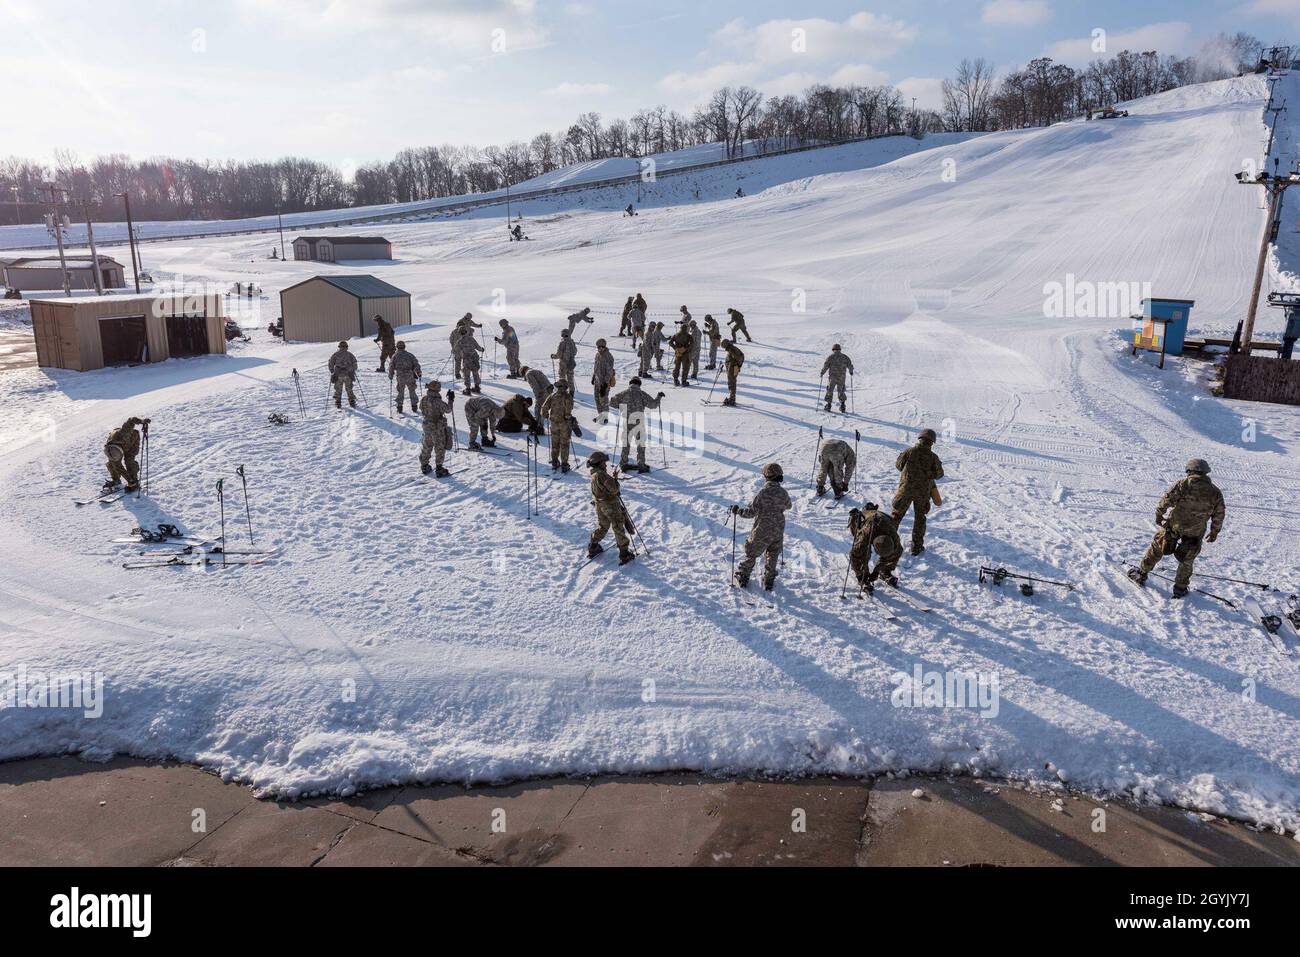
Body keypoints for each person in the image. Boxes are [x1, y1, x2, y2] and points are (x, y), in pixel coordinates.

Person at [1128, 458, 1226, 598]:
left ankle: (1141, 574)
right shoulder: (1215, 492)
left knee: (1158, 548)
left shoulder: (1184, 484)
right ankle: (1180, 588)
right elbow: (1219, 513)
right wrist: (1214, 531)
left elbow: (1167, 499)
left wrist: (1159, 514)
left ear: (1189, 471)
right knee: (1187, 559)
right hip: (1195, 531)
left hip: (1175, 526)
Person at [731, 463, 791, 590]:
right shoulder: (783, 493)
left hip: (762, 529)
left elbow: (751, 513)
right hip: (778, 529)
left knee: (752, 552)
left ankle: (743, 575)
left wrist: (738, 511)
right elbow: (788, 506)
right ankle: (769, 580)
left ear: (767, 476)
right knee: (773, 554)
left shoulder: (763, 493)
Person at [891, 428, 944, 556]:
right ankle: (916, 547)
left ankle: (888, 543)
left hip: (905, 491)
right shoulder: (933, 457)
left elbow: (898, 465)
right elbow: (939, 474)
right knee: (920, 519)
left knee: (896, 516)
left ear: (920, 439)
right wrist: (928, 473)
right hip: (922, 493)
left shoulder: (909, 452)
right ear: (932, 442)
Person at [586, 451, 635, 565]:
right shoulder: (602, 475)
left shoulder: (594, 474)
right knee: (618, 526)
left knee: (603, 526)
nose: (606, 464)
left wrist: (613, 478)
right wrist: (615, 480)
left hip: (600, 505)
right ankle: (624, 554)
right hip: (610, 505)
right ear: (599, 463)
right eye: (604, 462)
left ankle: (593, 545)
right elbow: (614, 489)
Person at [610, 376, 664, 472]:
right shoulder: (641, 394)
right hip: (639, 422)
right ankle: (641, 464)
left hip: (627, 421)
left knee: (626, 443)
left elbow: (612, 402)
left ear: (630, 383)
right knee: (640, 443)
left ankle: (623, 463)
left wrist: (620, 405)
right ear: (639, 384)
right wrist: (658, 397)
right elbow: (653, 405)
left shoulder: (623, 393)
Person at [848, 503, 903, 592]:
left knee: (896, 552)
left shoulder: (893, 536)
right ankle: (863, 575)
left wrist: (877, 571)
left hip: (884, 519)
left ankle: (885, 571)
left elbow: (896, 551)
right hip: (863, 521)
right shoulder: (866, 534)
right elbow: (854, 555)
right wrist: (860, 575)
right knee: (863, 552)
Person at [540, 381, 580, 473]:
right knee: (564, 444)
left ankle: (555, 462)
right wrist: (569, 418)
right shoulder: (568, 397)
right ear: (566, 387)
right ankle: (564, 464)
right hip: (564, 424)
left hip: (553, 423)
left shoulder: (552, 395)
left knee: (555, 443)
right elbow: (568, 412)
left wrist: (545, 415)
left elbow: (544, 407)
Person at [419, 381, 454, 478]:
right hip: (437, 427)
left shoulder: (424, 399)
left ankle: (424, 465)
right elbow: (448, 410)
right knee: (440, 447)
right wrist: (451, 400)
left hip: (427, 426)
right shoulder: (437, 401)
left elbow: (421, 408)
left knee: (427, 445)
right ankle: (439, 468)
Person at [103, 417, 147, 492]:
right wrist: (128, 480)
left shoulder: (123, 433)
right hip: (118, 447)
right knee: (112, 464)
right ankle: (117, 480)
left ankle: (134, 481)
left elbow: (132, 420)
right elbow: (119, 468)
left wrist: (142, 421)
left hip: (132, 442)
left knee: (129, 461)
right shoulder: (109, 449)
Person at [389, 341, 422, 414]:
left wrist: (391, 375)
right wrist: (418, 372)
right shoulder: (410, 355)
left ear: (397, 347)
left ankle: (400, 407)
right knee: (412, 390)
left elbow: (391, 366)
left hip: (400, 376)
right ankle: (414, 406)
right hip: (409, 375)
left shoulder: (395, 356)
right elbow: (416, 364)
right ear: (404, 346)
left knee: (400, 391)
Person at [821, 344, 855, 413]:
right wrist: (851, 372)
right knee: (841, 391)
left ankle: (828, 405)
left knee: (830, 391)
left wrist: (822, 373)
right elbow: (850, 365)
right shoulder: (845, 357)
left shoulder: (830, 357)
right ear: (840, 349)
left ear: (833, 349)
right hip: (841, 378)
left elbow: (826, 366)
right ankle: (842, 406)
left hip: (832, 377)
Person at [329, 340, 358, 409]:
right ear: (346, 347)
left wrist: (332, 371)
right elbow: (355, 363)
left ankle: (338, 402)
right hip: (348, 374)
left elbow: (331, 363)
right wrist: (353, 370)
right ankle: (352, 401)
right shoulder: (350, 354)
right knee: (349, 388)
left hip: (338, 374)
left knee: (338, 389)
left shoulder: (335, 354)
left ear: (339, 347)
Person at [450, 313, 480, 379]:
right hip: (460, 349)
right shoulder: (461, 329)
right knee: (460, 361)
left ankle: (460, 374)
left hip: (460, 349)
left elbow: (451, 340)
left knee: (461, 361)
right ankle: (459, 374)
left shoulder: (455, 331)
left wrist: (478, 326)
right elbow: (452, 340)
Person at [591, 339, 616, 420]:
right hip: (597, 381)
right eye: (599, 347)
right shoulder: (597, 355)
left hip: (604, 383)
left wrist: (605, 384)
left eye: (602, 347)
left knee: (603, 399)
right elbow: (596, 367)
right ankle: (600, 415)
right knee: (596, 398)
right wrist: (593, 376)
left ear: (605, 347)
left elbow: (609, 372)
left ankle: (605, 417)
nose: (600, 348)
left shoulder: (608, 357)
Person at [456, 327, 484, 394]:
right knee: (475, 372)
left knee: (466, 374)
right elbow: (478, 347)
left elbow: (456, 351)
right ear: (466, 331)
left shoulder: (459, 341)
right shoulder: (471, 338)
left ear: (460, 333)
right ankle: (477, 387)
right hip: (474, 357)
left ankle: (468, 389)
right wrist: (481, 349)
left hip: (466, 359)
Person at [719, 340, 744, 406]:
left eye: (724, 346)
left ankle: (732, 399)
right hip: (732, 368)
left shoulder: (732, 349)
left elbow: (737, 357)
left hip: (732, 368)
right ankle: (732, 398)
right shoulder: (732, 348)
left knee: (732, 383)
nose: (724, 348)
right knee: (731, 382)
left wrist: (735, 365)